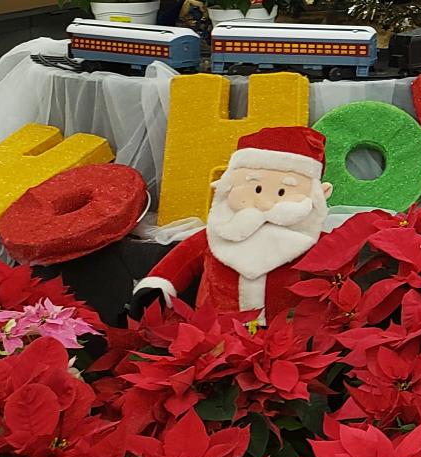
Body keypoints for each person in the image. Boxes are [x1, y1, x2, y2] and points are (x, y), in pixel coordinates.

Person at [133, 126, 332, 315]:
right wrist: (157, 287)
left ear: (319, 194)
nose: (264, 203)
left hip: (289, 330)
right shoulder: (216, 234)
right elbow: (181, 261)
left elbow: (338, 271)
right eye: (257, 189)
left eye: (282, 192)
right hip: (217, 329)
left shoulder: (315, 243)